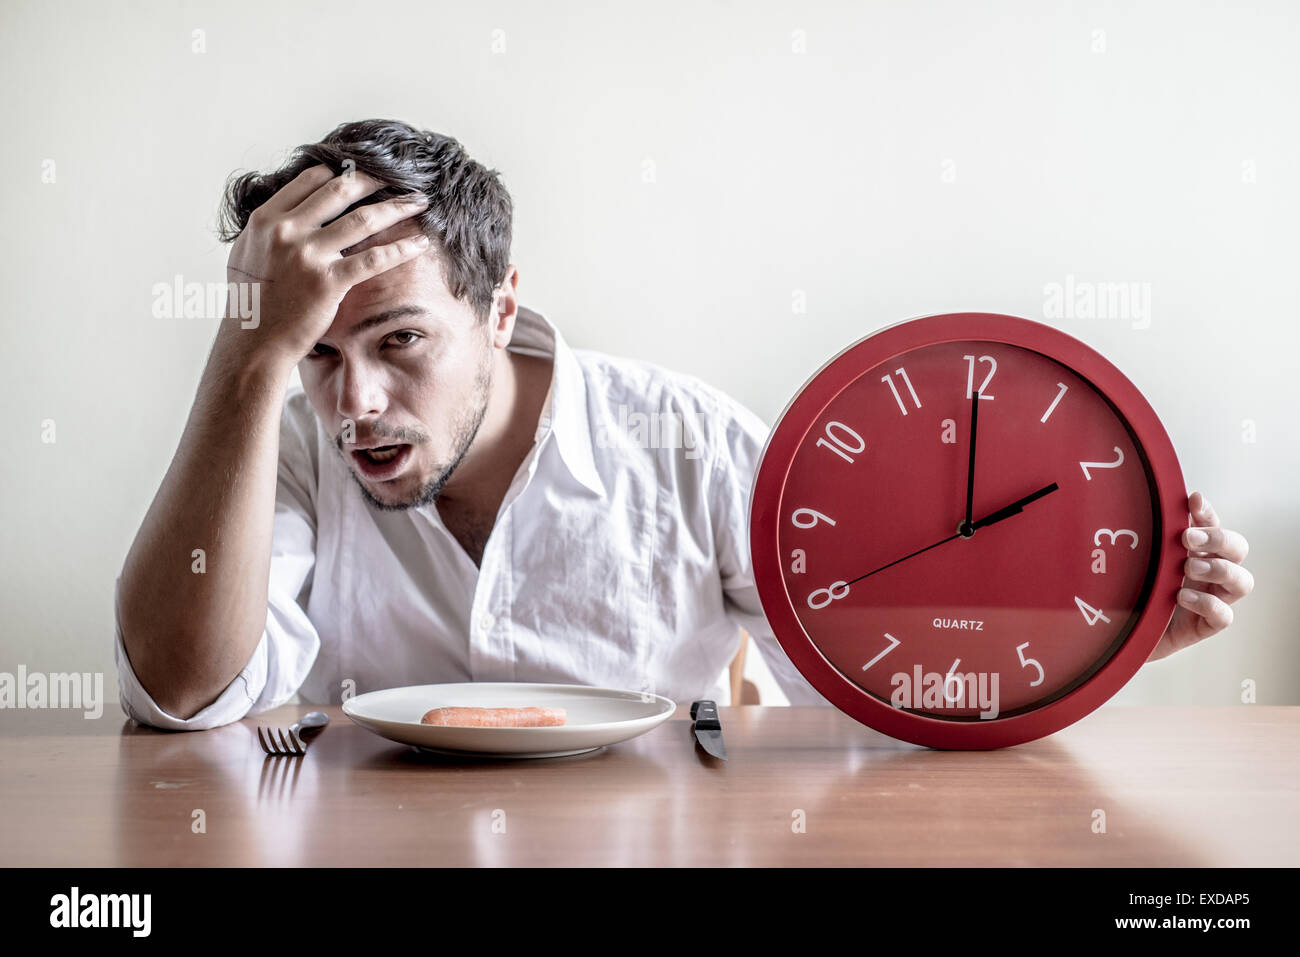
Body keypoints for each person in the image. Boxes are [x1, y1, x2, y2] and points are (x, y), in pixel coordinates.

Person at [112, 119, 1254, 730]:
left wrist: (1096, 648)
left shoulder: (689, 442)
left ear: (500, 304)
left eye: (400, 341)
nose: (354, 402)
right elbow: (181, 694)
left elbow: (882, 703)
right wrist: (246, 354)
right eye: (316, 353)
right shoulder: (290, 444)